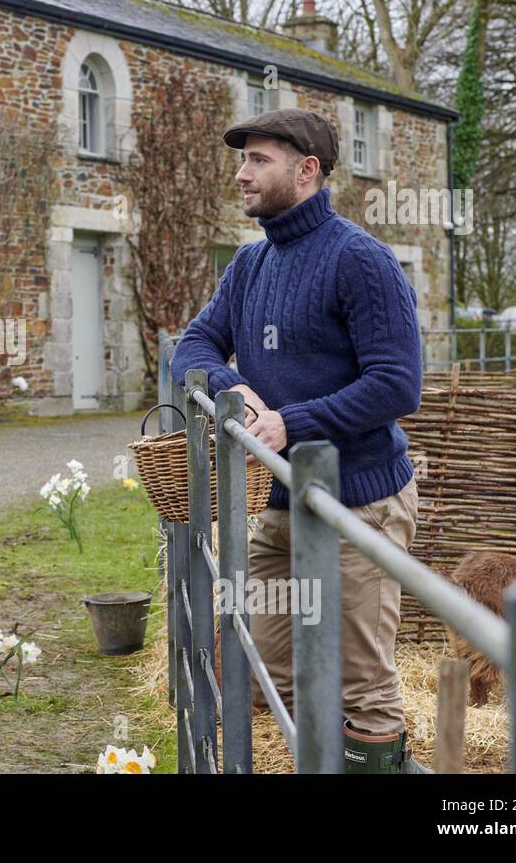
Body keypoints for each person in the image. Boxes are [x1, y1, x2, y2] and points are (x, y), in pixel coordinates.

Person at [170, 108, 424, 773]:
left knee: (364, 689)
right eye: (242, 158)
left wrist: (292, 421)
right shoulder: (252, 266)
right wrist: (235, 386)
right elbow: (191, 345)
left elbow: (398, 386)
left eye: (258, 160)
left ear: (307, 171)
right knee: (258, 667)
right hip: (281, 509)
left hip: (359, 508)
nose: (241, 172)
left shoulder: (361, 261)